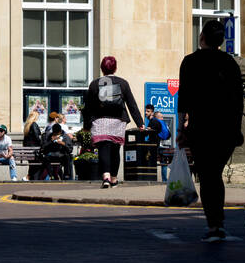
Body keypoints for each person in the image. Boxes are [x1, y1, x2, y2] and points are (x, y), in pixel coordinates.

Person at [177, 20, 244, 241]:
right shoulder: (229, 62)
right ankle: (217, 222)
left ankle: (214, 223)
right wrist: (237, 128)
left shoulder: (190, 62)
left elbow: (184, 99)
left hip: (201, 128)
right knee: (214, 173)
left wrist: (181, 129)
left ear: (201, 37)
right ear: (221, 40)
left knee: (208, 176)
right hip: (225, 128)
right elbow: (237, 100)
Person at [82, 56, 143, 187]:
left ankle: (106, 177)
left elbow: (88, 108)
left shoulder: (94, 84)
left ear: (101, 69)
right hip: (118, 120)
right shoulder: (123, 83)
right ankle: (114, 179)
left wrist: (86, 125)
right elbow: (131, 104)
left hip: (100, 121)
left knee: (104, 148)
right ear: (115, 68)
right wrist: (140, 123)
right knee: (115, 150)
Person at [40, 112, 74, 181]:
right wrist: (50, 141)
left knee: (68, 157)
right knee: (45, 158)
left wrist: (63, 144)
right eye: (54, 133)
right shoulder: (48, 136)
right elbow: (43, 148)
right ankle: (51, 175)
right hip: (51, 155)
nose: (56, 135)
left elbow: (70, 149)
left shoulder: (65, 136)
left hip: (61, 155)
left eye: (57, 133)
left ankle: (66, 175)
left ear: (60, 132)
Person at [144, 103, 173, 184]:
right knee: (163, 163)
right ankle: (164, 180)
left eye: (148, 111)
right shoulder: (164, 124)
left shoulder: (154, 122)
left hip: (157, 146)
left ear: (153, 114)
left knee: (150, 160)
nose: (162, 118)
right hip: (165, 147)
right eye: (161, 117)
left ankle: (152, 179)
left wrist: (148, 130)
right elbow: (168, 135)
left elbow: (153, 134)